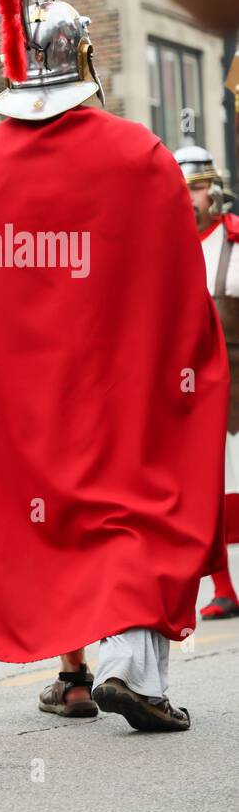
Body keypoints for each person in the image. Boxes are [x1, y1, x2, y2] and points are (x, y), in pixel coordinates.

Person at [0, 0, 222, 731]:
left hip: (26, 409)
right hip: (119, 389)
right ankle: (131, 666)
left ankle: (73, 675)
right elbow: (178, 284)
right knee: (136, 515)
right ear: (86, 66)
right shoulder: (140, 156)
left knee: (51, 525)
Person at [175, 145, 239, 621]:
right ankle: (224, 589)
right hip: (192, 386)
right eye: (182, 190)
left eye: (196, 188)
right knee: (204, 490)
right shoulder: (166, 249)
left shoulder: (235, 241)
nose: (190, 198)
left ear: (214, 191)